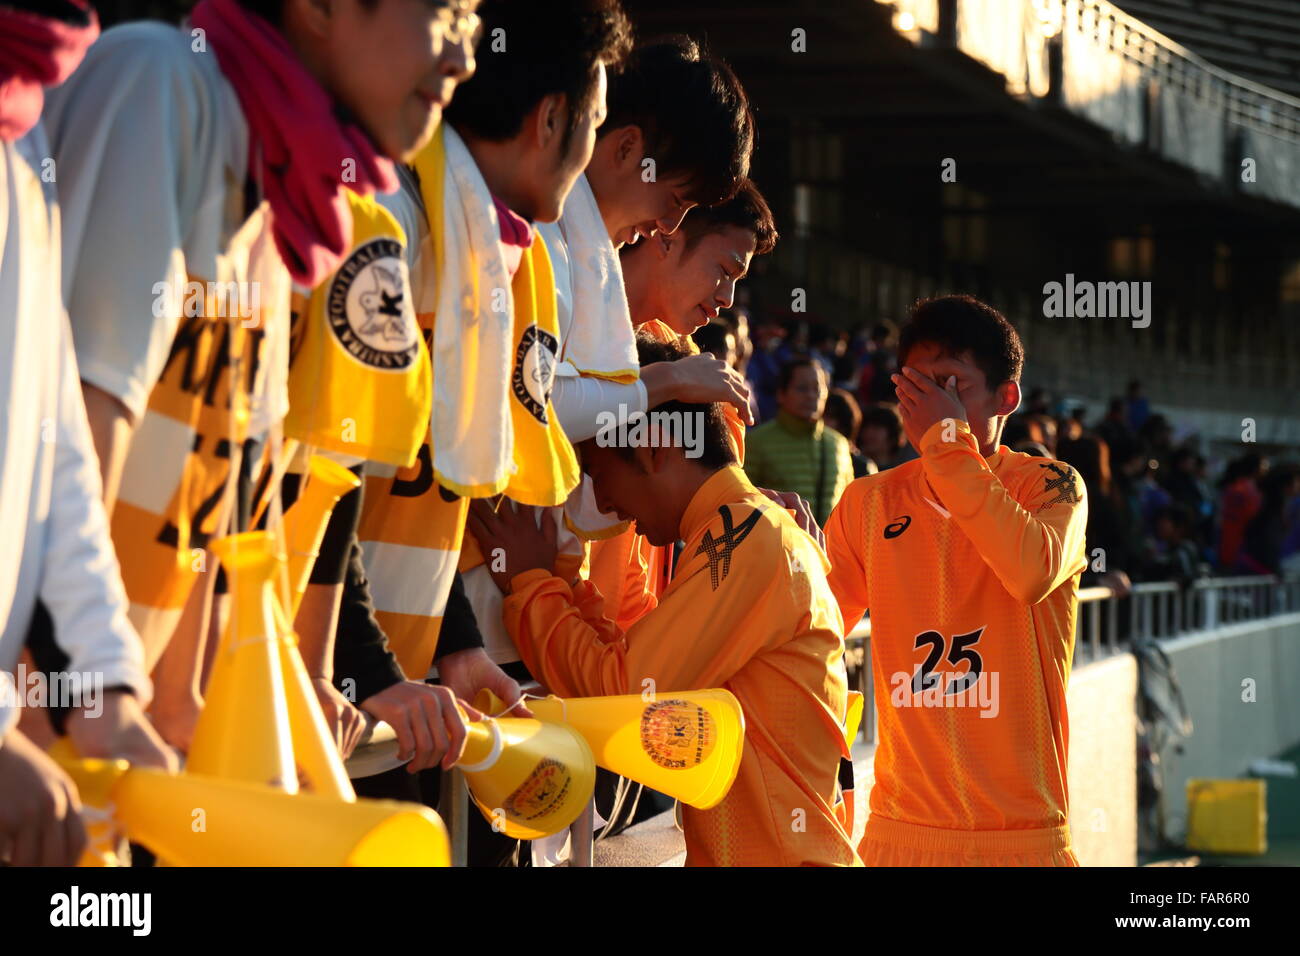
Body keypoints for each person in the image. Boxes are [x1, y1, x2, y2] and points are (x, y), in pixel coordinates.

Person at [466, 337, 861, 867]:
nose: (602, 501)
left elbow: (626, 693)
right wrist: (561, 577)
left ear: (654, 449)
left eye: (599, 474)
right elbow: (639, 669)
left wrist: (533, 582)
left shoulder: (745, 538)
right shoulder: (742, 529)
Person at [825, 294, 1088, 867]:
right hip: (899, 835)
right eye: (916, 386)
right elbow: (813, 631)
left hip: (1021, 840)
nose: (930, 404)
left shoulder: (1051, 485)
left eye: (950, 385)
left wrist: (947, 445)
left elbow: (1030, 571)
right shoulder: (867, 501)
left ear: (1007, 396)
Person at [0, 0, 174, 866]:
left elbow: (54, 441)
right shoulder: (149, 81)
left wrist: (101, 689)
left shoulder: (22, 136)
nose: (456, 52)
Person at [744, 357, 855, 525]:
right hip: (779, 548)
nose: (811, 396)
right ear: (781, 394)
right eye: (802, 388)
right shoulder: (756, 442)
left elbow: (849, 506)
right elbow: (743, 503)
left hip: (829, 550)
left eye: (817, 389)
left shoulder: (839, 444)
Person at [824, 388, 873, 479]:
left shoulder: (860, 466)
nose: (823, 422)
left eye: (830, 416)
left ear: (843, 424)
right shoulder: (812, 456)